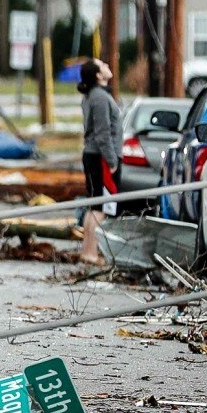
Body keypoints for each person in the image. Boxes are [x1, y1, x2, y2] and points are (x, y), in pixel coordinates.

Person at [78, 59, 120, 265]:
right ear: (98, 75)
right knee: (99, 208)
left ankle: (87, 251)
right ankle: (91, 253)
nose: (106, 64)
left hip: (91, 154)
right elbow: (103, 133)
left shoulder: (92, 96)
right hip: (100, 156)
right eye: (102, 65)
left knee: (93, 204)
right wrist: (112, 160)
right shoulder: (101, 98)